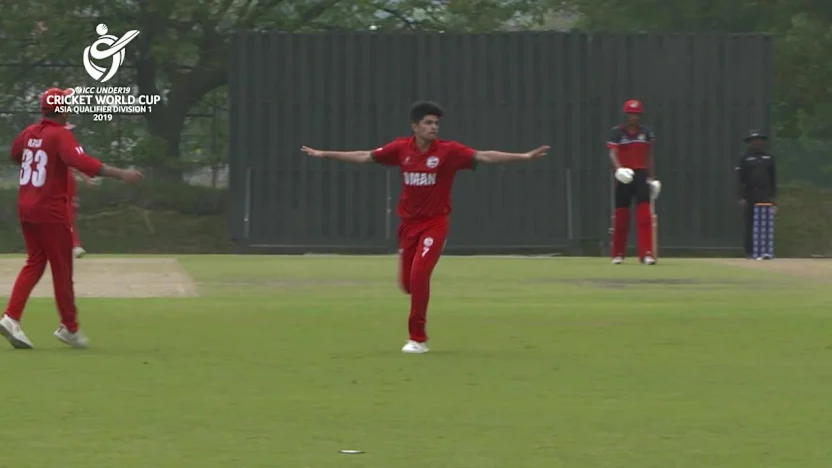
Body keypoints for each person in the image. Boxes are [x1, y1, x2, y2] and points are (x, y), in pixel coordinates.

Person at [301, 100, 549, 354]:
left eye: (436, 123)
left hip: (435, 223)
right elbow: (365, 156)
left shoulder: (448, 151)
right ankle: (416, 310)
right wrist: (326, 154)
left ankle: (417, 338)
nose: (434, 128)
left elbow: (484, 155)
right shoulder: (400, 148)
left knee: (420, 276)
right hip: (408, 225)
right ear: (415, 127)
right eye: (428, 123)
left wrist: (523, 157)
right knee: (408, 285)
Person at [0, 87, 142, 350]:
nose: (70, 108)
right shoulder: (60, 135)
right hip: (50, 212)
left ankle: (11, 317)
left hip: (26, 208)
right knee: (62, 272)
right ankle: (70, 328)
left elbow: (15, 155)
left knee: (35, 262)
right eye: (68, 104)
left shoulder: (29, 132)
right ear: (61, 109)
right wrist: (122, 174)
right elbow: (84, 163)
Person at [607, 99, 661, 265]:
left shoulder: (646, 133)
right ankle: (618, 253)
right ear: (626, 114)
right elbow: (612, 153)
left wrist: (651, 178)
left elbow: (649, 156)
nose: (634, 117)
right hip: (624, 174)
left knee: (644, 214)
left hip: (640, 174)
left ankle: (646, 253)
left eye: (636, 114)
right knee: (621, 215)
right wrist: (618, 170)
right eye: (631, 114)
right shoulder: (617, 133)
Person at [735, 130, 777, 259]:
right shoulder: (745, 158)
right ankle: (750, 251)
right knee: (750, 223)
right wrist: (741, 197)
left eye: (759, 140)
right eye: (754, 140)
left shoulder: (768, 158)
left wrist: (774, 199)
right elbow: (740, 179)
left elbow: (773, 179)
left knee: (766, 224)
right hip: (750, 194)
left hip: (765, 194)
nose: (756, 143)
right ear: (750, 143)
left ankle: (766, 251)